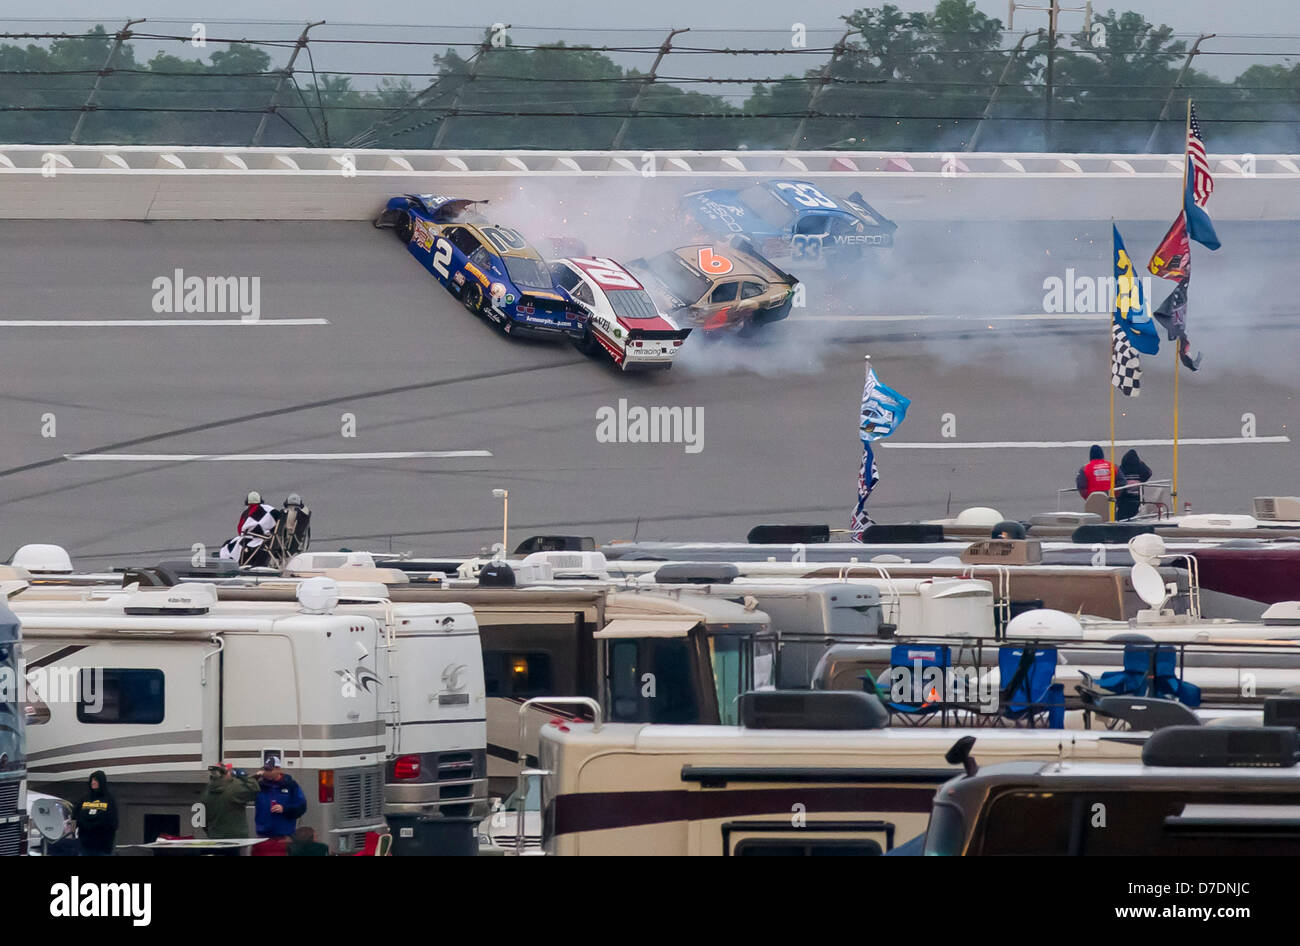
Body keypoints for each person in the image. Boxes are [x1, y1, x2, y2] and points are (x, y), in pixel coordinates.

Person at [201, 763, 261, 854]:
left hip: (215, 837)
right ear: (226, 774)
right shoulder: (234, 788)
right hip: (236, 839)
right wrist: (244, 775)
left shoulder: (206, 792)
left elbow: (203, 821)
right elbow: (254, 789)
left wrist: (212, 833)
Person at [251, 759, 307, 856]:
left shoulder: (290, 785)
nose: (266, 773)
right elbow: (242, 791)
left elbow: (302, 807)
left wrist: (284, 809)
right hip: (263, 837)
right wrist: (254, 778)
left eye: (269, 770)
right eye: (265, 769)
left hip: (284, 838)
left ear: (278, 769)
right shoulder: (259, 786)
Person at [74, 770, 119, 856]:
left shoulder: (109, 800)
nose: (93, 782)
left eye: (96, 780)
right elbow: (76, 815)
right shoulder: (85, 799)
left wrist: (94, 824)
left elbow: (112, 823)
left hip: (102, 847)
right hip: (85, 845)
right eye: (92, 780)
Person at [1115, 449, 1154, 521]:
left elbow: (1118, 480)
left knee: (1120, 518)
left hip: (1124, 500)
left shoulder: (1122, 468)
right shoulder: (1141, 468)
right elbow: (1149, 473)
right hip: (1138, 499)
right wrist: (1142, 463)